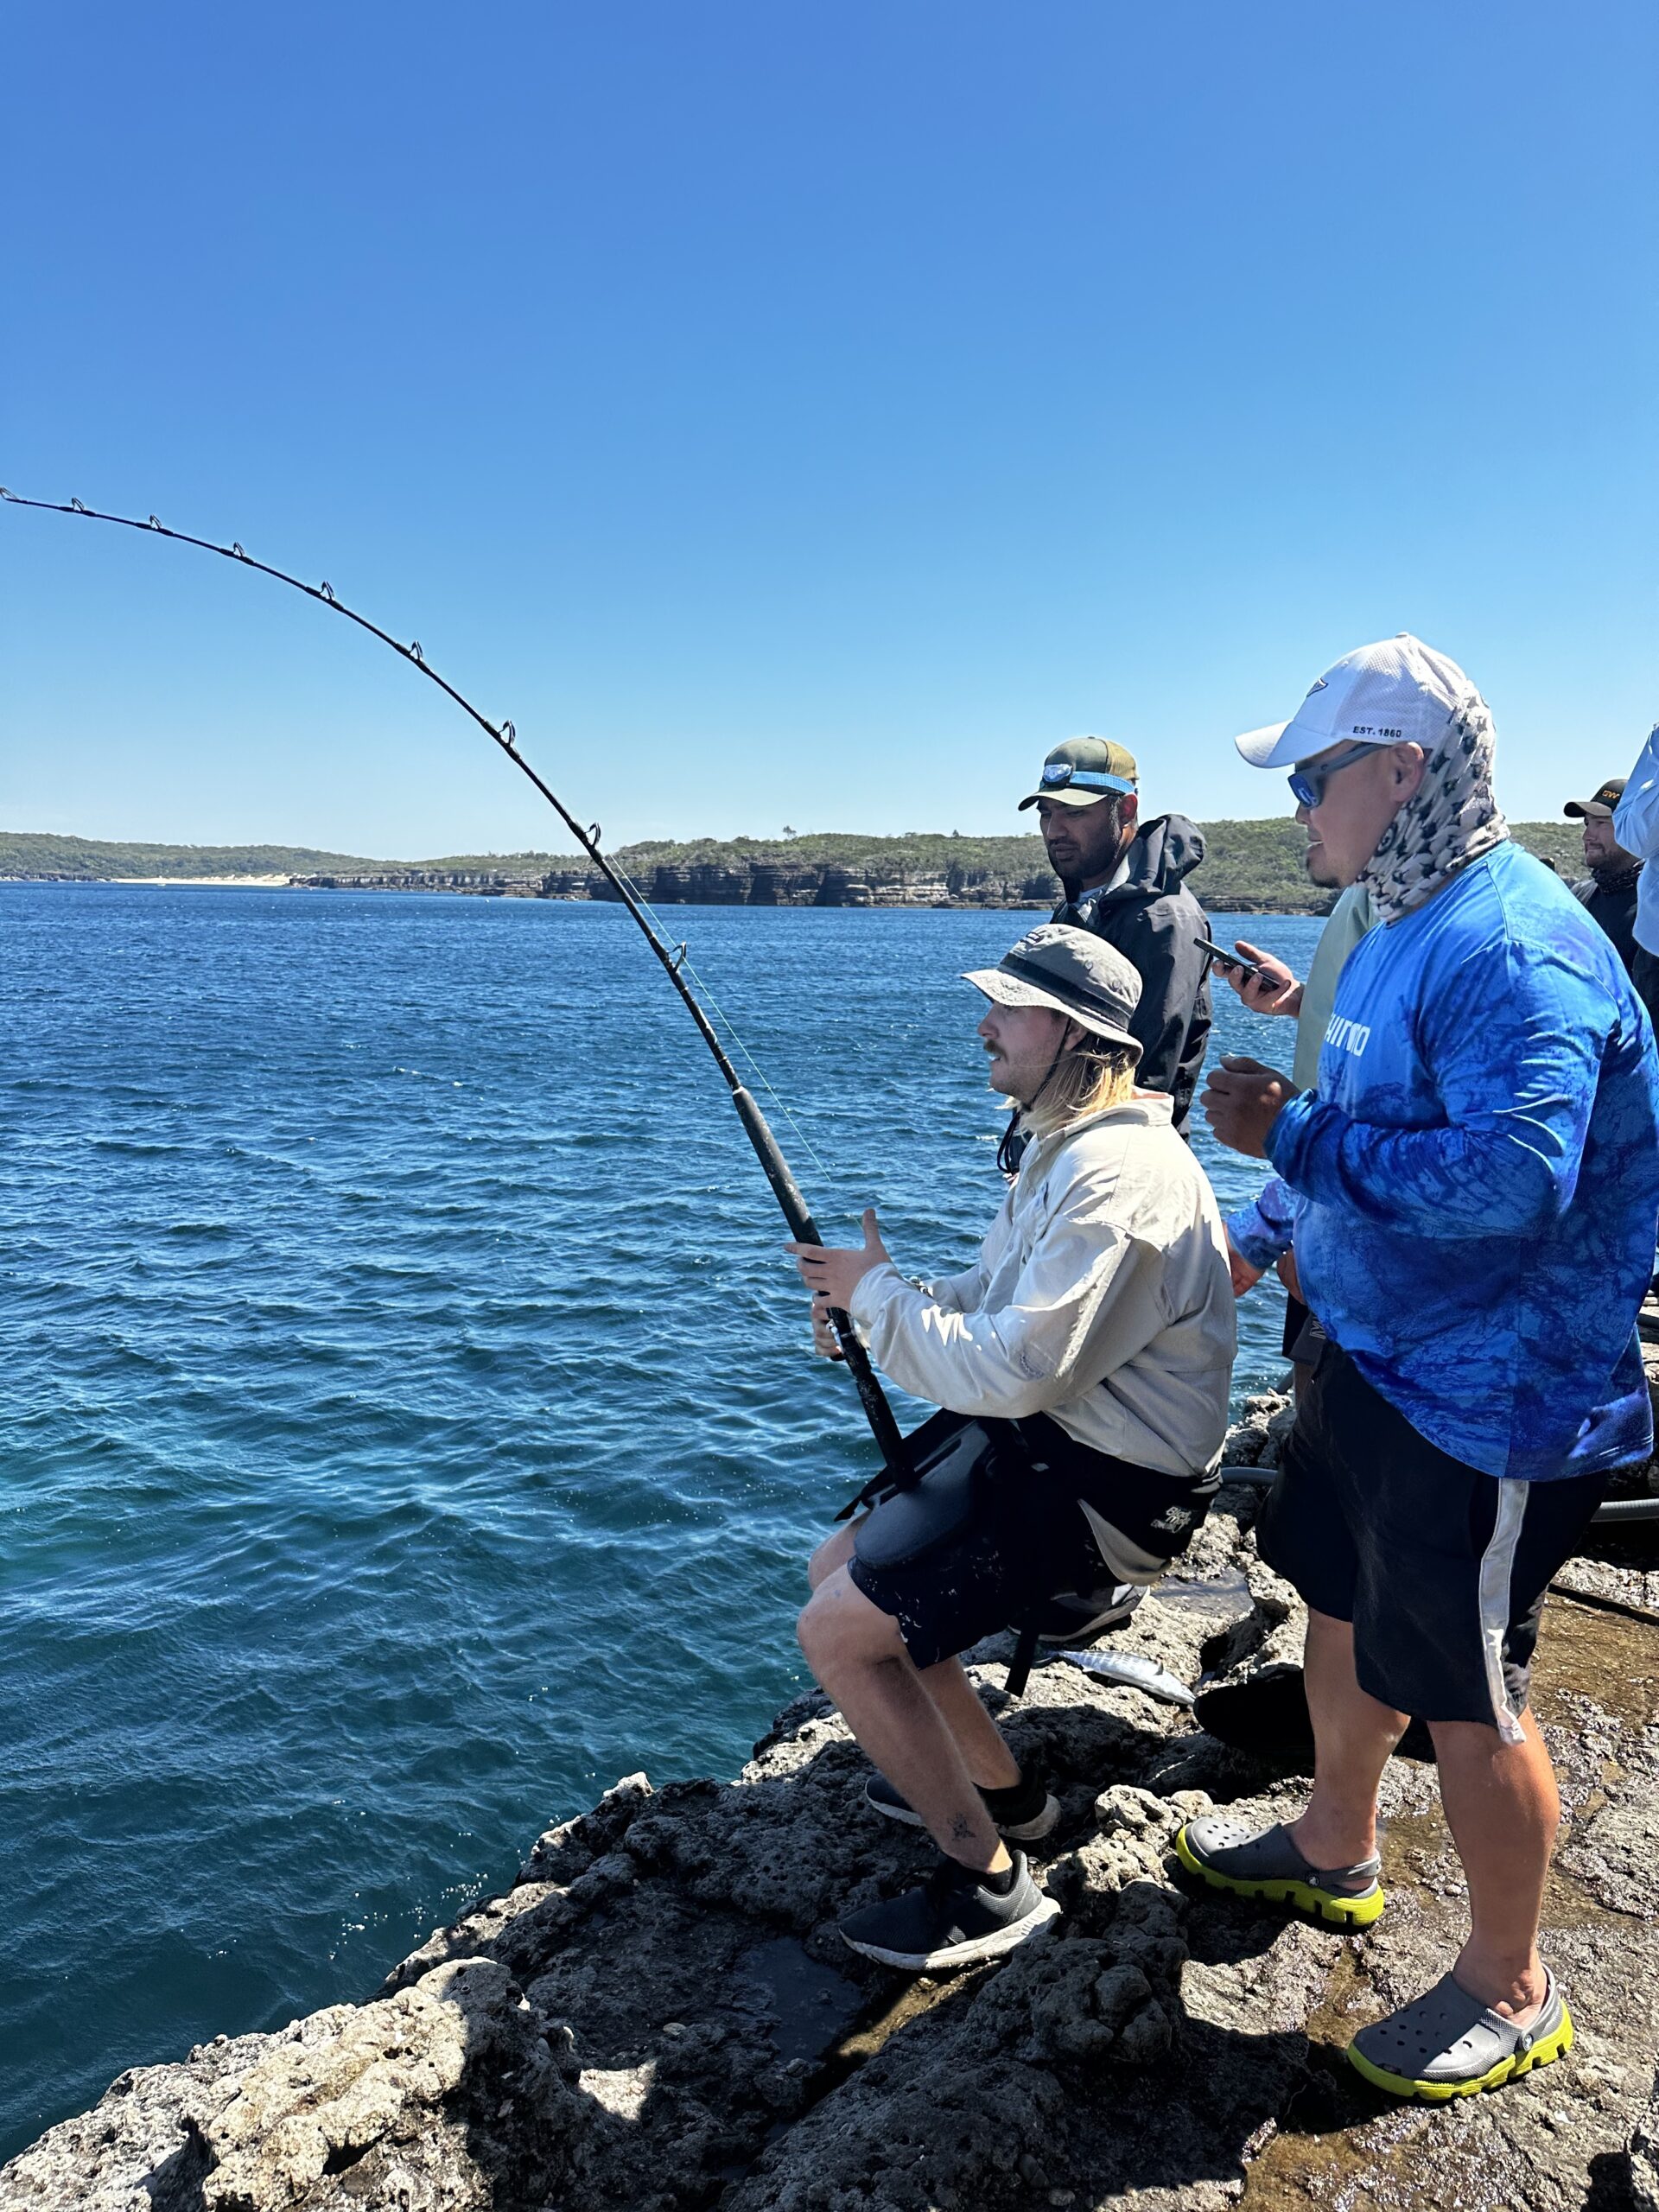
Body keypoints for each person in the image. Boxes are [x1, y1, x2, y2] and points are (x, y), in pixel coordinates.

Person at [1188, 632, 1659, 2101]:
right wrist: (1266, 1231)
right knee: (1336, 1599)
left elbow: (1515, 1181)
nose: (1302, 806)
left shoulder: (1512, 945)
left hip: (1492, 1400)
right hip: (1376, 1360)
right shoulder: (1398, 916)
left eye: (1321, 776)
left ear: (1403, 772)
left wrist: (1296, 1146)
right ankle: (1337, 1844)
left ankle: (1510, 1984)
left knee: (1470, 1694)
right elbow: (1357, 1101)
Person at [788, 925, 1236, 1973]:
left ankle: (990, 1887)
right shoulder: (1073, 1145)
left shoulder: (1120, 1176)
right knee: (836, 1571)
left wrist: (882, 1298)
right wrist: (876, 1301)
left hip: (1108, 1489)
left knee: (842, 1633)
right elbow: (996, 1307)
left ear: (1077, 1037)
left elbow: (1020, 1368)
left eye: (1007, 1007)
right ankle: (1008, 1795)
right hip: (1056, 1448)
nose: (983, 1023)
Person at [1216, 886, 1376, 1390]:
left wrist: (1273, 1226)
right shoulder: (1373, 888)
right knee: (1313, 1378)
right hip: (1320, 1186)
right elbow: (1367, 1028)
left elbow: (1399, 1099)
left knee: (1333, 1395)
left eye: (1314, 798)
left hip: (1346, 1209)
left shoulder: (1414, 898)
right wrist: (1299, 1001)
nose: (1303, 816)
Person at [1018, 737, 1212, 1135]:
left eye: (1073, 812)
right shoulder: (1080, 906)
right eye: (1047, 813)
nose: (1054, 831)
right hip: (1063, 1148)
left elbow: (1142, 1075)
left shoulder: (1162, 920)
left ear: (1125, 810)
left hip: (1116, 1163)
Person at [1567, 776, 1658, 1027]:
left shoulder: (1652, 908)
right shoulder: (1578, 897)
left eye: (1601, 823)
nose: (1587, 835)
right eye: (1587, 824)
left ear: (1636, 827)